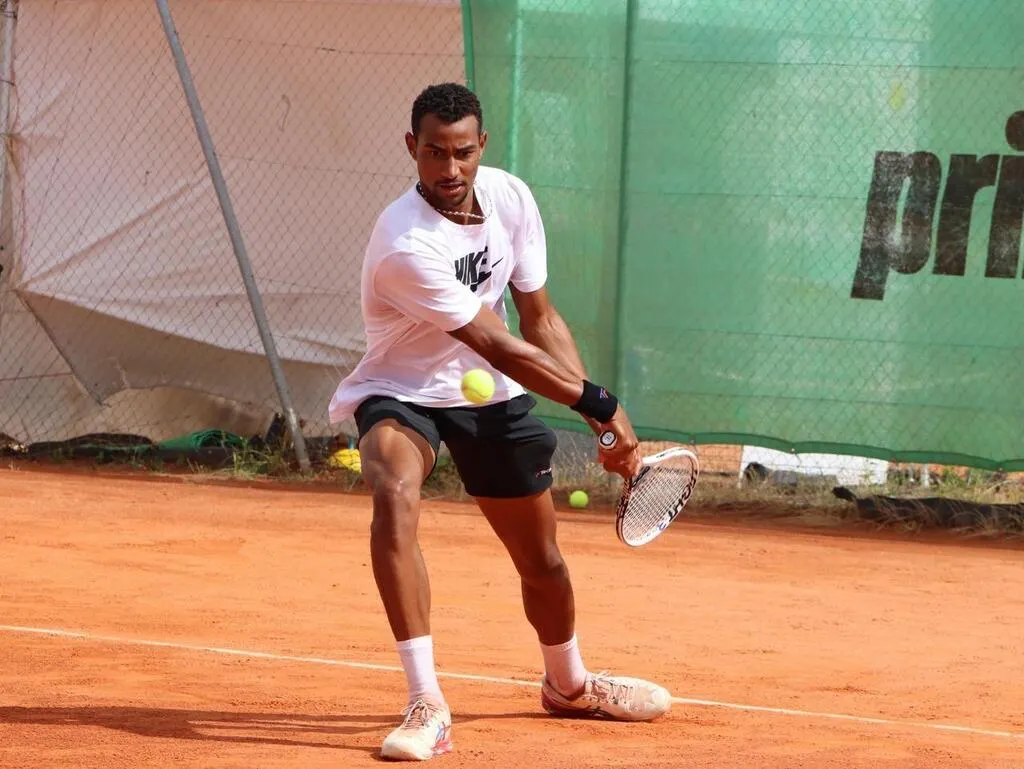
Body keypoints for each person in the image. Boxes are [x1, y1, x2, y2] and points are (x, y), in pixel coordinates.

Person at [328, 82, 670, 762]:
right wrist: (600, 404)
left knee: (541, 560)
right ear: (411, 149)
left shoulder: (510, 199)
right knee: (394, 496)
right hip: (402, 391)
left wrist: (599, 426)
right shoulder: (403, 242)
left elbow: (539, 319)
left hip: (490, 398)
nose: (448, 170)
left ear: (482, 146)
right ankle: (426, 702)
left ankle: (569, 685)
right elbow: (499, 343)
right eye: (433, 153)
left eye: (461, 152)